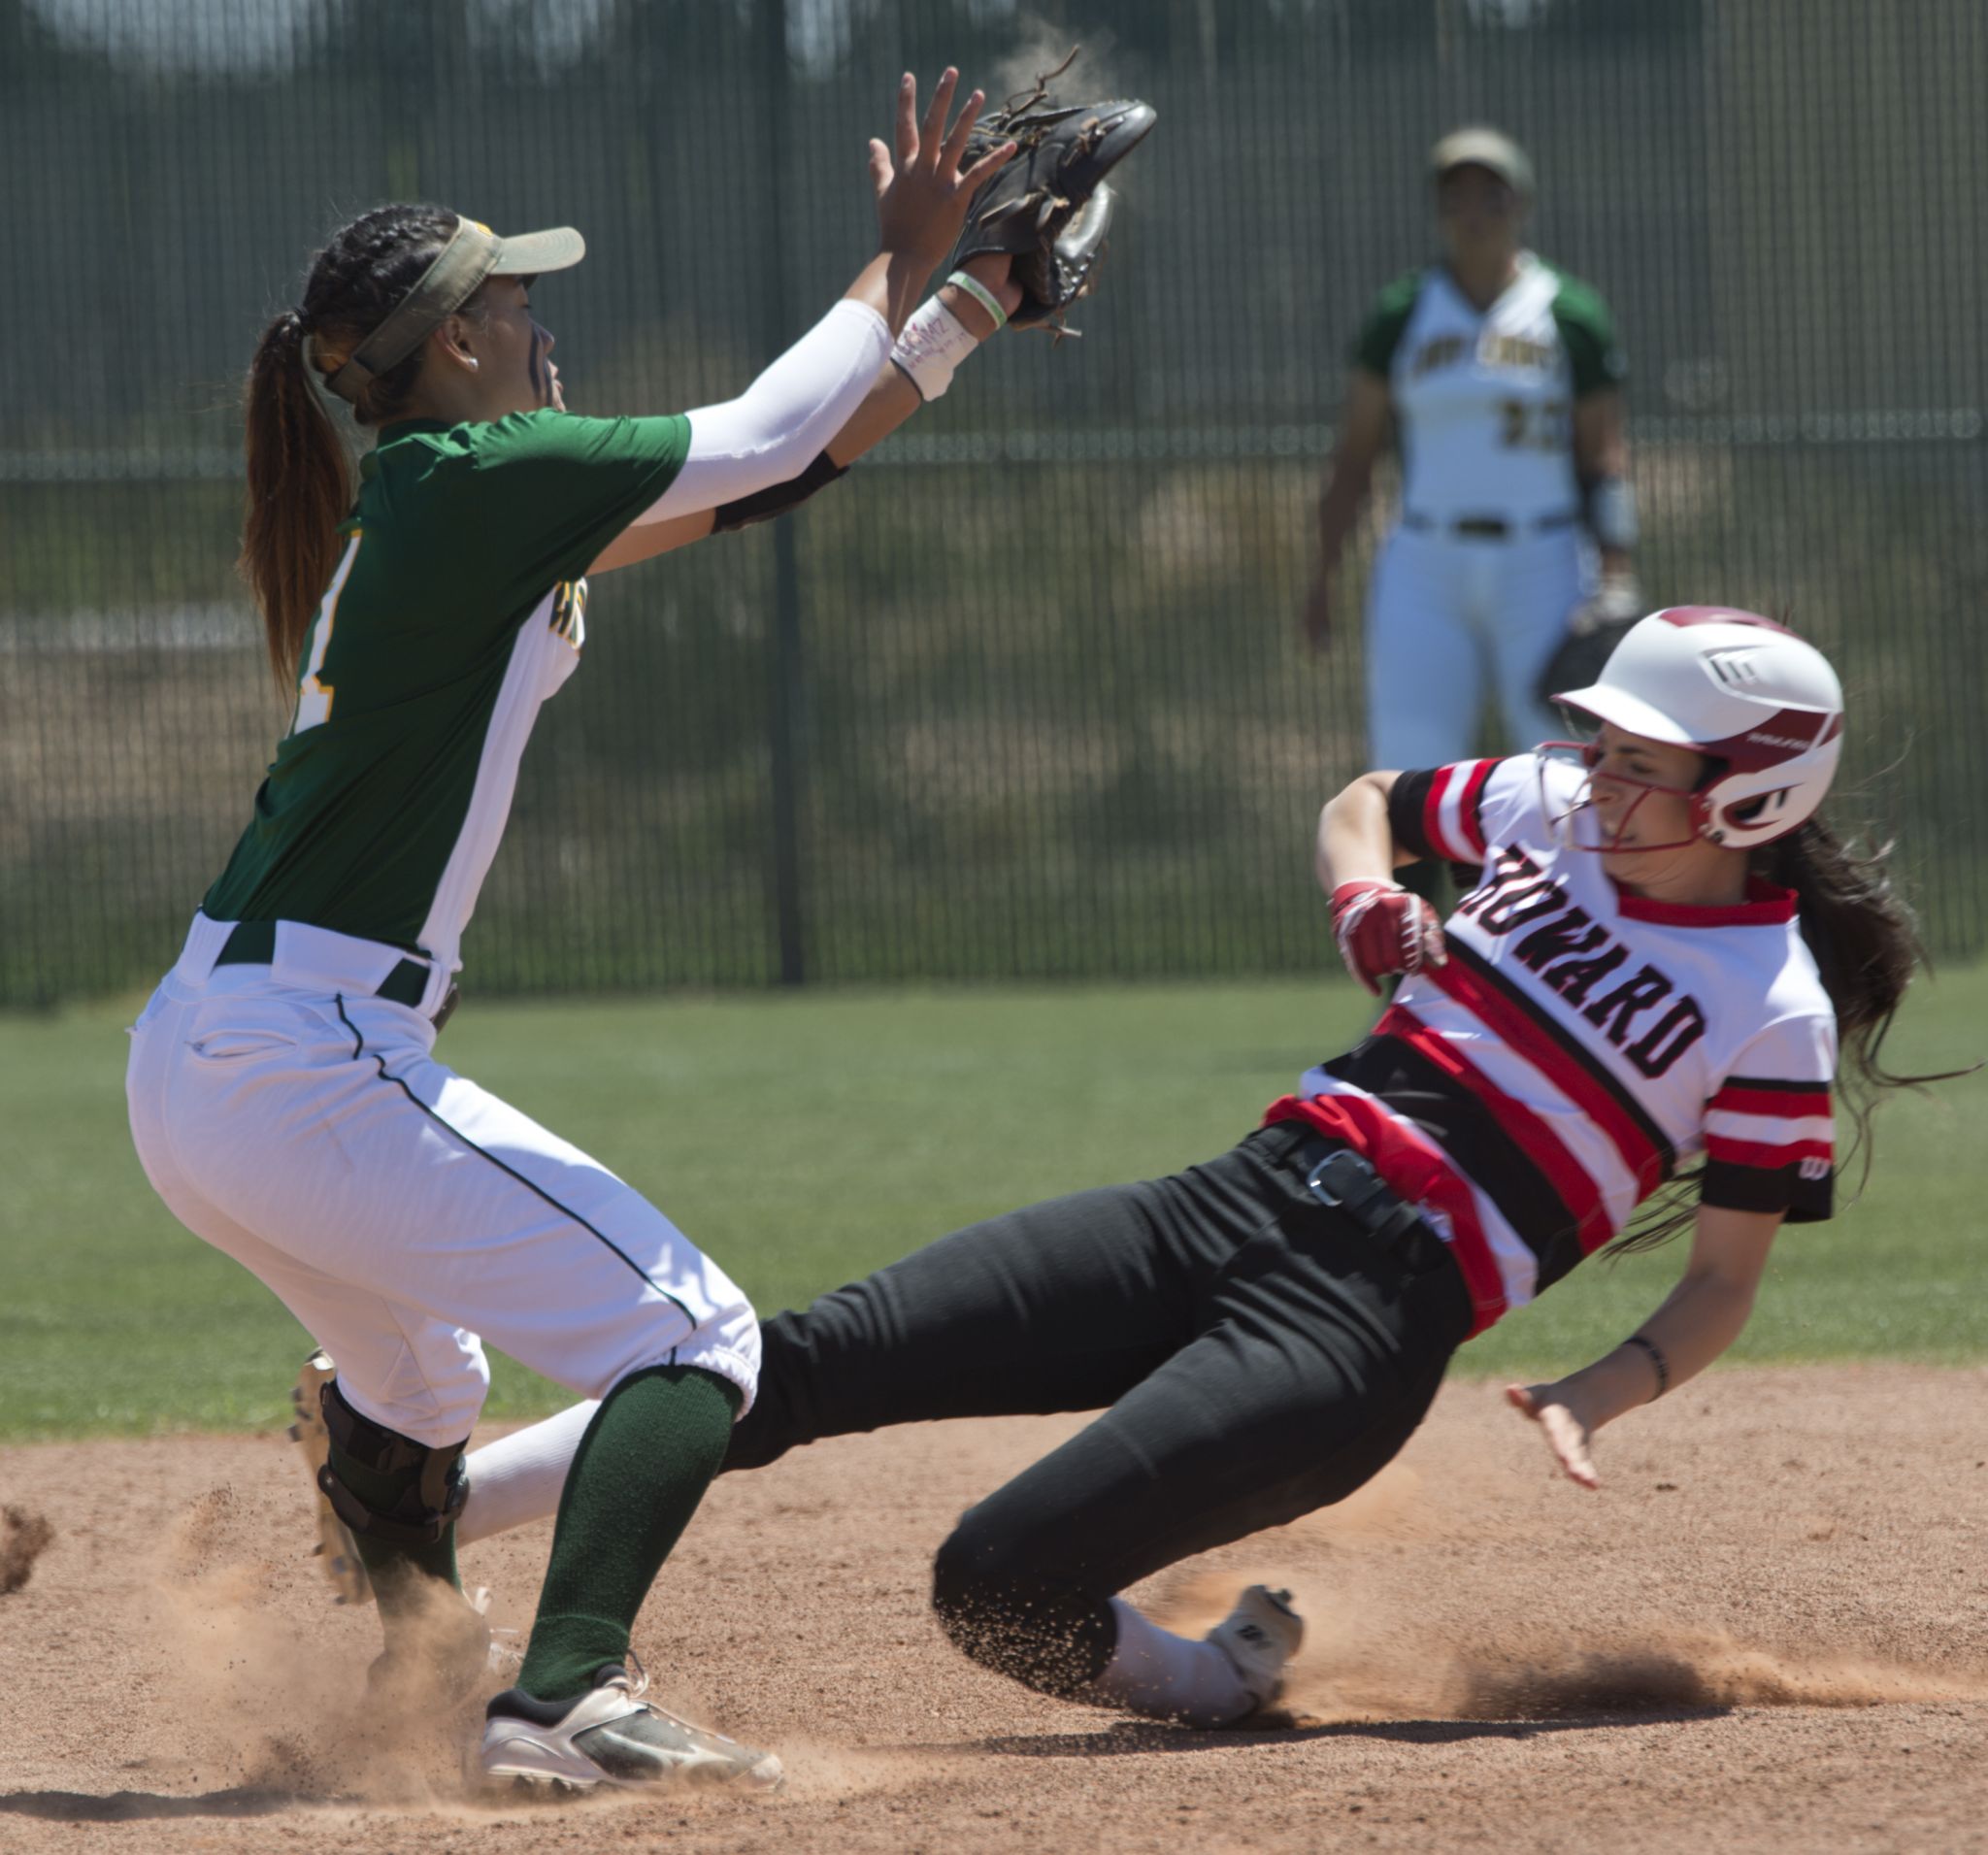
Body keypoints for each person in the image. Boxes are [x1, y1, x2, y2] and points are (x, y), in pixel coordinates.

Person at [413, 608, 1925, 1729]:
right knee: (788, 1357)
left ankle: (1220, 1675)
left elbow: (1726, 1278)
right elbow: (1369, 806)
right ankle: (419, 1510)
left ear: (1750, 794)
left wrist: (1602, 1387)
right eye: (1599, 740)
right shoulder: (1543, 805)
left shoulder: (1768, 1007)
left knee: (994, 1583)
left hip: (1353, 1333)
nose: (1599, 774)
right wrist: (1364, 901)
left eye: (1641, 760)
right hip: (1236, 1196)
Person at [125, 68, 1043, 1796]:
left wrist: (970, 305)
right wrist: (897, 255)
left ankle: (426, 1671)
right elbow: (771, 430)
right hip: (301, 1050)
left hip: (217, 1057)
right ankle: (569, 1694)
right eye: (516, 300)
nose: (543, 323)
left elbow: (777, 480)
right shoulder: (470, 474)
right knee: (692, 1334)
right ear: (452, 345)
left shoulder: (463, 496)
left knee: (422, 1375)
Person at [1302, 126, 1640, 778]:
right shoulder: (1402, 312)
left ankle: (1552, 885)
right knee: (1409, 771)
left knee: (1562, 768)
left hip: (1544, 561)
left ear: (1522, 204)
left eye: (1492, 193)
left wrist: (1618, 573)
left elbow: (1604, 456)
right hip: (1428, 561)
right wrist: (1322, 575)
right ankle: (1410, 887)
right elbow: (1355, 455)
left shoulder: (1570, 313)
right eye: (1456, 195)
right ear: (1438, 209)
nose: (1475, 211)